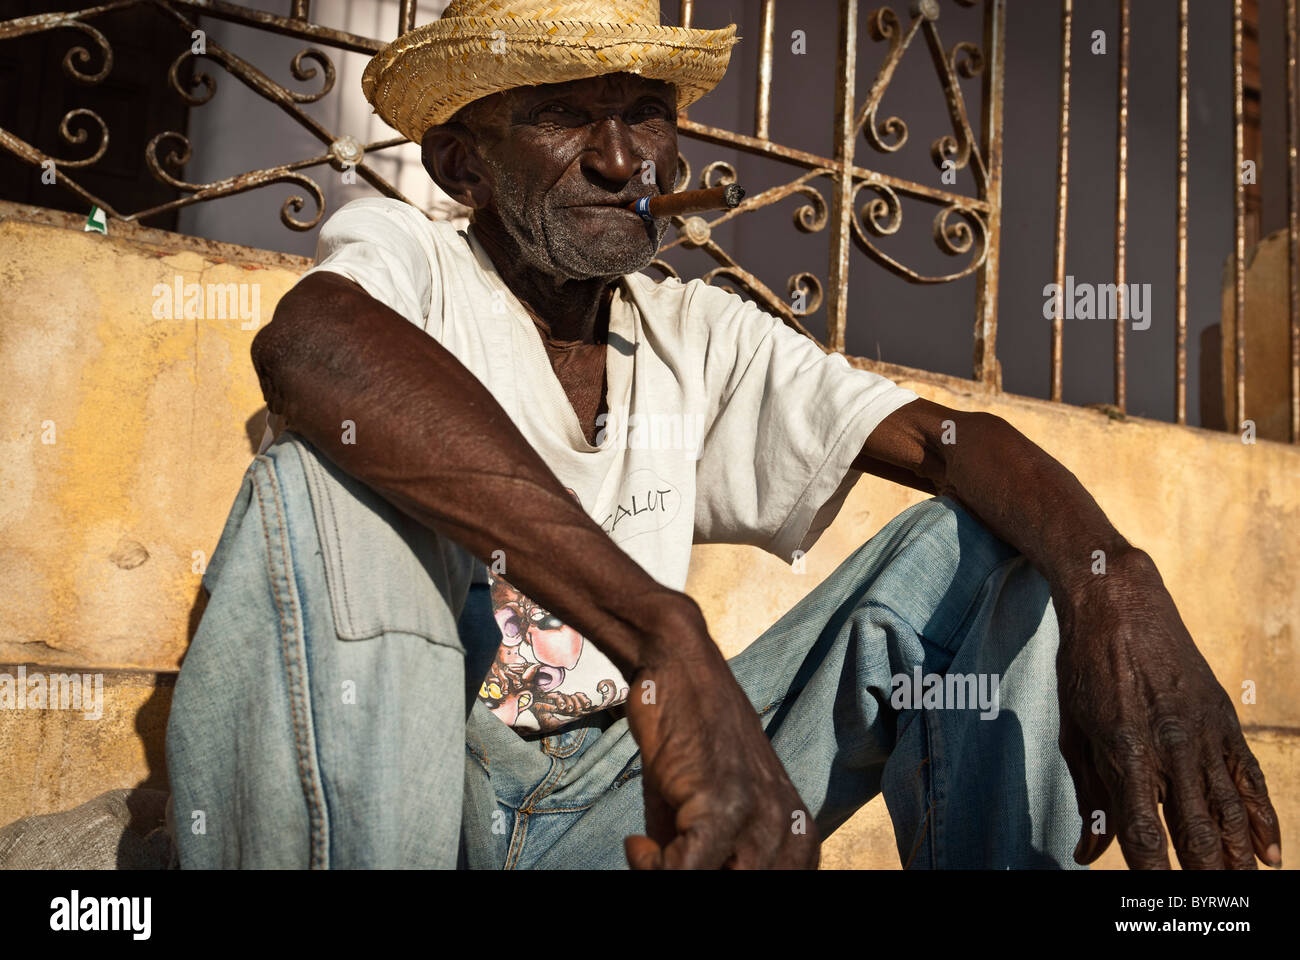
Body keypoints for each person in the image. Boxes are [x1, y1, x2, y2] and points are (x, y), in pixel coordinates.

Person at [165, 0, 1281, 870]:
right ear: (465, 165)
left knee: (999, 548)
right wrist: (663, 633)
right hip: (416, 794)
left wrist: (1116, 579)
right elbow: (311, 348)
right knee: (324, 482)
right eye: (562, 113)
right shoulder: (409, 261)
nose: (620, 159)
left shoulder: (689, 328)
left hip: (629, 806)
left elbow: (951, 442)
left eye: (643, 112)